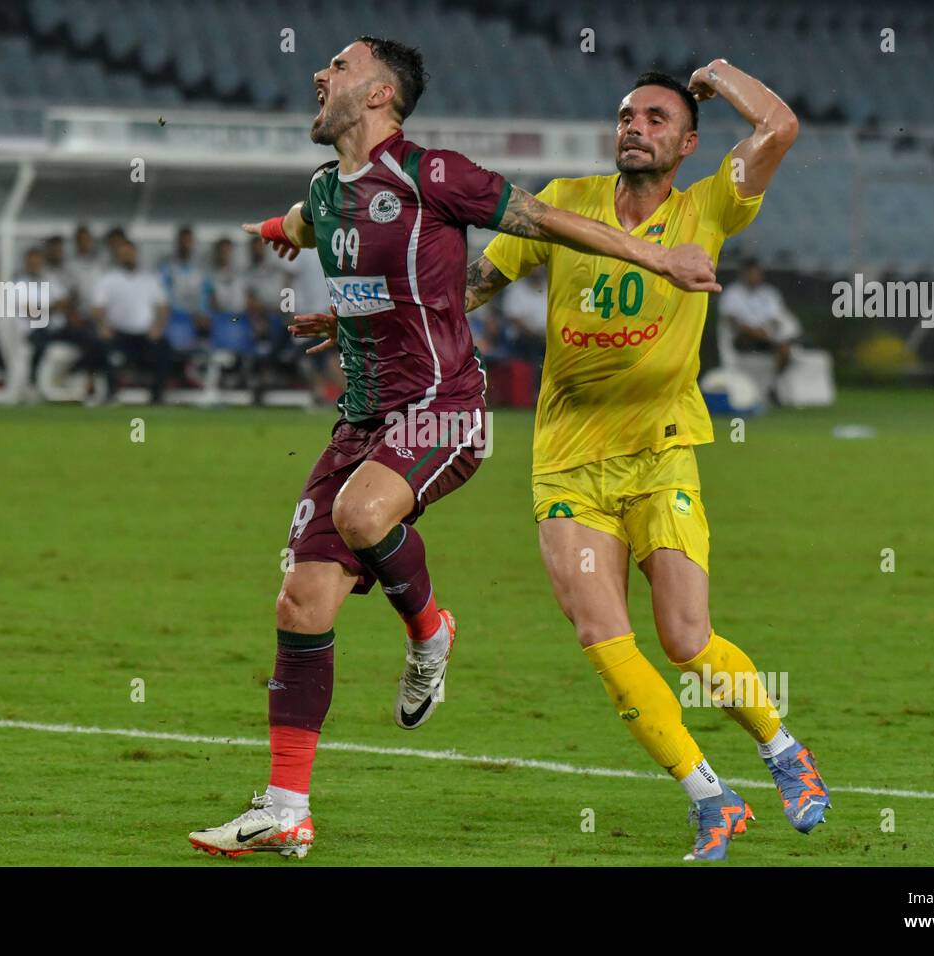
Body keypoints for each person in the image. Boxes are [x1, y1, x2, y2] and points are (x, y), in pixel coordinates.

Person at [187, 35, 720, 860]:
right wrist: (276, 231)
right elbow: (303, 221)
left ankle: (430, 630)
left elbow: (545, 220)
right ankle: (286, 808)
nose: (320, 74)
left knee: (363, 512)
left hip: (444, 408)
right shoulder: (326, 193)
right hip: (361, 421)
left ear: (377, 96)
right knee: (300, 602)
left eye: (340, 64)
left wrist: (661, 257)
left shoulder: (432, 175)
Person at [462, 62, 830, 860]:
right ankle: (711, 798)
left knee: (686, 640)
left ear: (689, 143)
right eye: (628, 116)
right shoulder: (563, 201)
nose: (637, 127)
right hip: (567, 463)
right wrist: (393, 323)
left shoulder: (710, 206)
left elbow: (781, 127)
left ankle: (782, 752)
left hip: (661, 453)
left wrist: (714, 74)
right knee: (603, 634)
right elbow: (476, 284)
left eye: (658, 118)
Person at [89, 239, 170, 404]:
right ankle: (110, 394)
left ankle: (157, 396)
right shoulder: (108, 280)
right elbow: (97, 308)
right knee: (102, 347)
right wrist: (103, 327)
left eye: (130, 253)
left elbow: (162, 307)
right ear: (118, 257)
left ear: (136, 254)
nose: (128, 257)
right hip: (118, 334)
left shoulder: (150, 279)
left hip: (145, 335)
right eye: (123, 254)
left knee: (164, 348)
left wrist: (158, 328)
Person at [718, 257, 802, 376]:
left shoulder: (769, 293)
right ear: (744, 274)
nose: (755, 276)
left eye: (758, 273)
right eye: (752, 273)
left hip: (766, 337)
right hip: (743, 338)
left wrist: (770, 332)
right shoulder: (732, 293)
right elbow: (731, 320)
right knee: (755, 337)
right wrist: (755, 332)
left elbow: (776, 318)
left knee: (785, 348)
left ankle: (774, 384)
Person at [160, 225, 209, 352]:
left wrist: (201, 312)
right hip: (175, 316)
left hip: (196, 316)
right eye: (183, 241)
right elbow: (163, 293)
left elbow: (205, 293)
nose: (186, 245)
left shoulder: (201, 268)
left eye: (189, 241)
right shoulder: (168, 266)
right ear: (178, 243)